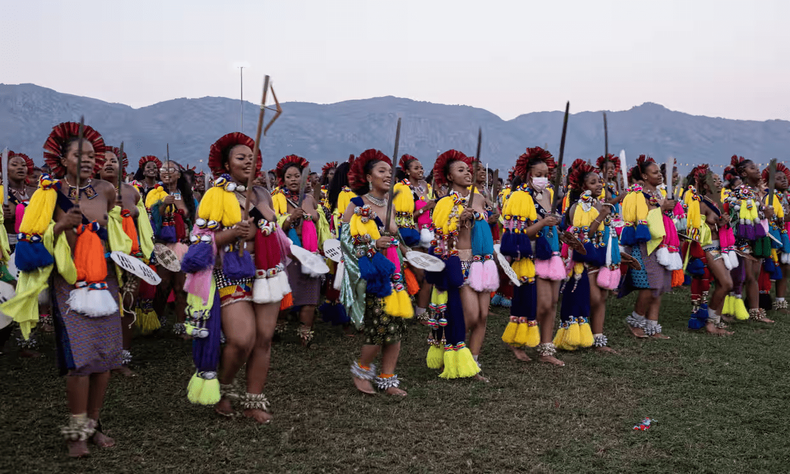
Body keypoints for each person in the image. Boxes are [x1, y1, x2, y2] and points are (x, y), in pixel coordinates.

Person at [2, 122, 132, 457]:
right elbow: (32, 239)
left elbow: (115, 235)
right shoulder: (48, 193)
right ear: (63, 157)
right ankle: (76, 432)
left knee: (104, 358)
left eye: (92, 154)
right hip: (68, 285)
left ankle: (94, 424)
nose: (88, 160)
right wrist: (61, 226)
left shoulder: (105, 190)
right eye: (79, 154)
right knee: (80, 361)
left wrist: (129, 265)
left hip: (106, 281)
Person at [183, 132, 290, 424]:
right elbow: (201, 239)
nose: (248, 161)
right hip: (231, 272)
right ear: (226, 164)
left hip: (266, 272)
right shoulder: (216, 195)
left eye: (251, 157)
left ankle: (253, 401)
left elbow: (275, 233)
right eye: (240, 157)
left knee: (264, 339)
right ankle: (225, 390)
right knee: (242, 339)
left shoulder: (263, 194)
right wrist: (232, 233)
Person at [344, 149, 412, 395]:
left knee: (397, 327)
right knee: (379, 327)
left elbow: (396, 237)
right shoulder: (357, 205)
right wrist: (372, 245)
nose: (387, 176)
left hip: (396, 274)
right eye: (381, 171)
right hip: (373, 275)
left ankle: (388, 378)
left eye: (389, 172)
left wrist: (408, 252)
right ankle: (362, 370)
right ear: (368, 177)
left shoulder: (391, 206)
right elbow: (344, 242)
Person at [425, 149, 496, 380]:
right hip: (461, 262)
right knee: (471, 316)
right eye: (460, 170)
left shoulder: (479, 198)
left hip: (482, 261)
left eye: (468, 169)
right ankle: (454, 351)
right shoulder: (444, 202)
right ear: (449, 177)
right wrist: (458, 221)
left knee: (483, 317)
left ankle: (472, 363)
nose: (467, 173)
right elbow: (441, 236)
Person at [99, 146, 155, 374]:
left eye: (114, 160)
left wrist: (147, 251)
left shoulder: (133, 191)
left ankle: (122, 355)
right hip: (103, 256)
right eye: (104, 160)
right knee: (106, 306)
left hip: (132, 256)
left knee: (129, 304)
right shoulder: (90, 191)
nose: (109, 163)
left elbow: (143, 226)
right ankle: (102, 355)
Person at [557, 159, 620, 352]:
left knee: (602, 297)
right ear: (583, 186)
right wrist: (601, 216)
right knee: (592, 297)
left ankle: (598, 338)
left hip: (601, 255)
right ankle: (577, 333)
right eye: (593, 182)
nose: (599, 184)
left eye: (600, 181)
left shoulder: (597, 203)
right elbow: (584, 235)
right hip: (584, 258)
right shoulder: (578, 206)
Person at [273, 155, 329, 345]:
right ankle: (278, 327)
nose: (294, 180)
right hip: (288, 254)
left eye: (297, 176)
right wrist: (288, 219)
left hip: (310, 253)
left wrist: (312, 216)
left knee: (310, 296)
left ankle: (305, 333)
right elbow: (271, 226)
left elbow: (321, 225)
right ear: (283, 179)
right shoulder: (277, 199)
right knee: (285, 293)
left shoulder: (310, 199)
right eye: (289, 177)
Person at [620, 155, 675, 339]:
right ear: (644, 176)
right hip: (645, 246)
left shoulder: (659, 194)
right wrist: (662, 208)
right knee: (649, 286)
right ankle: (636, 320)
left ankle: (652, 326)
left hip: (661, 245)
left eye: (660, 172)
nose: (659, 175)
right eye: (655, 172)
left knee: (659, 287)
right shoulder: (637, 195)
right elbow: (637, 218)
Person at [145, 160, 197, 334]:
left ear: (178, 174)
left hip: (184, 245)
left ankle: (181, 323)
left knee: (181, 286)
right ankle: (156, 318)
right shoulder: (154, 194)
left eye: (170, 169)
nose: (166, 172)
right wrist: (163, 205)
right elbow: (152, 218)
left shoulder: (189, 196)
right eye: (163, 169)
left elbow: (196, 220)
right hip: (162, 245)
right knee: (163, 284)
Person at [684, 164, 734, 335]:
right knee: (726, 283)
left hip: (721, 247)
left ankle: (715, 321)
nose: (719, 183)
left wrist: (721, 224)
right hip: (708, 248)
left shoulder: (715, 202)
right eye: (714, 181)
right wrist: (717, 224)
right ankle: (710, 323)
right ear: (705, 186)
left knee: (724, 284)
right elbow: (694, 228)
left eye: (719, 180)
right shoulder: (700, 203)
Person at [725, 155, 774, 324]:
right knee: (743, 277)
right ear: (743, 173)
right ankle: (730, 310)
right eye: (752, 168)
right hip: (742, 239)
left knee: (754, 275)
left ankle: (754, 311)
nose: (757, 170)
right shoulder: (740, 191)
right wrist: (763, 214)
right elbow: (737, 215)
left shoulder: (754, 192)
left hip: (756, 239)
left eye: (757, 167)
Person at [394, 154, 434, 322]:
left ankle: (421, 309)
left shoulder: (427, 187)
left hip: (430, 234)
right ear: (407, 171)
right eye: (416, 168)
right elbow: (403, 218)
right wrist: (425, 208)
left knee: (430, 274)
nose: (420, 170)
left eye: (421, 168)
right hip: (411, 236)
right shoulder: (401, 189)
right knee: (422, 274)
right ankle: (416, 310)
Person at [766, 163, 790, 314]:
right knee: (769, 268)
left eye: (785, 178)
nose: (784, 180)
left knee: (786, 267)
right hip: (773, 235)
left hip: (786, 234)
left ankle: (780, 301)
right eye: (779, 179)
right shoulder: (770, 197)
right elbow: (777, 218)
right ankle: (760, 298)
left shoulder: (786, 196)